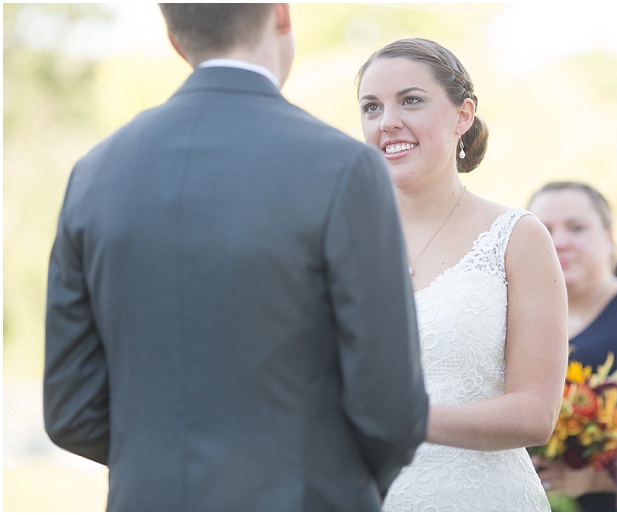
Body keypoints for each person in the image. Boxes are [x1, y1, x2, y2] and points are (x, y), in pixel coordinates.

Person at [43, 4, 429, 511]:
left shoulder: (94, 172)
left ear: (175, 39)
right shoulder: (345, 166)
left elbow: (70, 410)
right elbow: (393, 411)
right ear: (281, 15)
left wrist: (159, 465)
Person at [355, 38, 569, 511]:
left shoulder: (517, 237)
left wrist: (407, 420)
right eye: (372, 107)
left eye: (411, 100)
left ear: (463, 115)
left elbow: (536, 414)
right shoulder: (337, 239)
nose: (387, 121)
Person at [527, 181, 617, 511]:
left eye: (577, 227)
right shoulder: (517, 319)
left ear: (609, 237)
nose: (559, 242)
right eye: (545, 230)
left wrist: (592, 480)